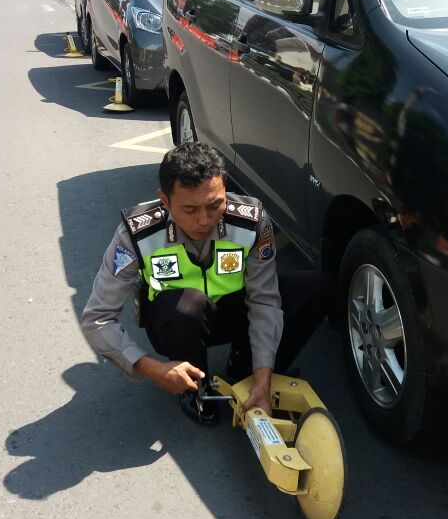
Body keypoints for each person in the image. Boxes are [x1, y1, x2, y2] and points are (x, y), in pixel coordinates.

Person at [80, 142, 332, 425]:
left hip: (234, 312)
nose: (205, 220)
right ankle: (194, 387)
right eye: (190, 209)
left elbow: (264, 301)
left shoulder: (252, 222)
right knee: (188, 304)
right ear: (165, 200)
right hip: (177, 322)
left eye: (215, 205)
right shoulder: (136, 234)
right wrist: (152, 369)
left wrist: (263, 375)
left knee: (315, 286)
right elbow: (97, 319)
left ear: (224, 186)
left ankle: (247, 366)